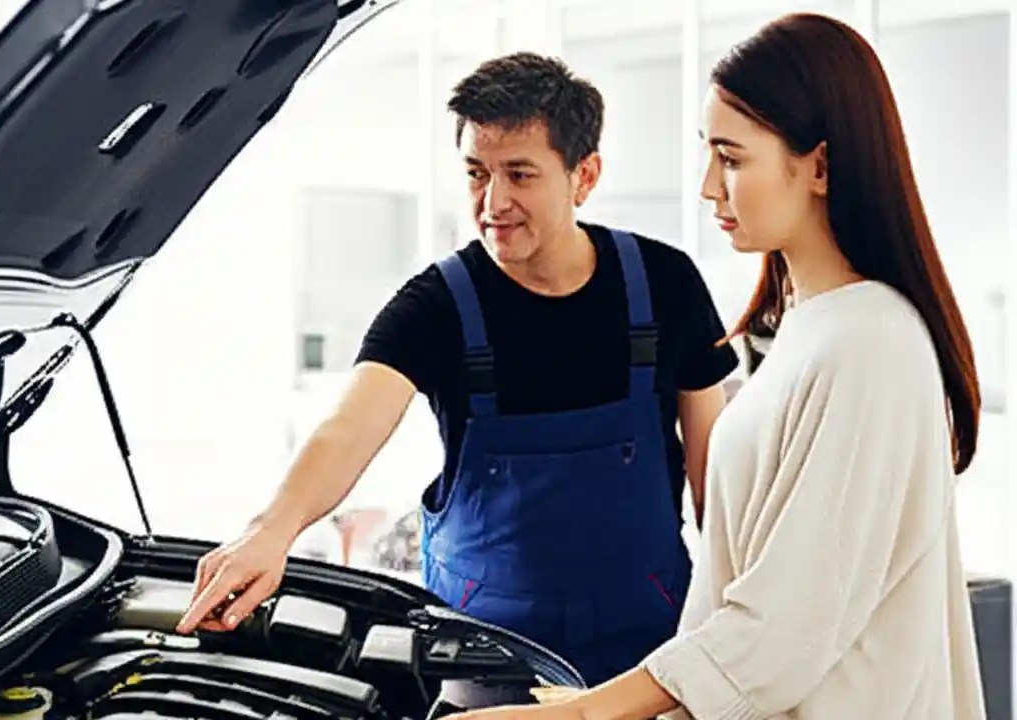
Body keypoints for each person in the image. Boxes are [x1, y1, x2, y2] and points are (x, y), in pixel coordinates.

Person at [445, 13, 987, 720]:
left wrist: (581, 715)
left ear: (819, 165)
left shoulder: (871, 340)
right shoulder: (807, 330)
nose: (708, 187)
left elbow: (782, 627)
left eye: (731, 158)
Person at [176, 51, 739, 704]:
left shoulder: (666, 285)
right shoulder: (437, 305)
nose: (493, 203)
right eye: (477, 174)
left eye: (519, 174)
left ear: (584, 176)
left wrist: (732, 630)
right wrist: (272, 529)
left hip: (644, 655)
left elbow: (716, 482)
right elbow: (347, 428)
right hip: (483, 660)